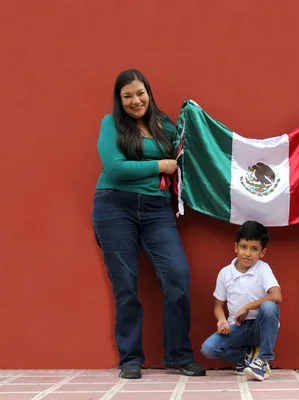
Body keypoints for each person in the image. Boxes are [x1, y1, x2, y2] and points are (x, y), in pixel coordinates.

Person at [92, 69, 206, 379]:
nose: (134, 100)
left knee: (178, 278)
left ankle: (179, 356)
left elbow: (188, 153)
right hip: (115, 207)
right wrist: (160, 165)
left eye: (139, 93)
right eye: (126, 95)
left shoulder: (164, 124)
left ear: (148, 93)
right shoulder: (111, 124)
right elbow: (114, 168)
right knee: (126, 287)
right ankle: (130, 359)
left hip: (157, 210)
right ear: (119, 100)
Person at [200, 221, 282, 381]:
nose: (248, 253)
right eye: (244, 247)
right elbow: (218, 305)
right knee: (208, 349)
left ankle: (263, 360)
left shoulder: (262, 268)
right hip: (237, 327)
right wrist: (222, 320)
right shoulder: (225, 273)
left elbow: (276, 295)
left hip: (260, 326)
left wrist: (248, 307)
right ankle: (247, 356)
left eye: (254, 249)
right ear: (236, 247)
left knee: (269, 307)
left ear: (262, 252)